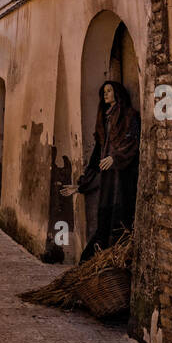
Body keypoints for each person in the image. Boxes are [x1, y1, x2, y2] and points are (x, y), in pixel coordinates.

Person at [61, 80, 140, 262]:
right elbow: (97, 156)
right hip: (107, 181)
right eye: (104, 91)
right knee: (105, 219)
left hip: (123, 178)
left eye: (109, 90)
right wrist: (81, 185)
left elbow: (133, 141)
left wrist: (116, 157)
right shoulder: (105, 119)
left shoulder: (129, 116)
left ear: (117, 94)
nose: (105, 94)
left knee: (120, 219)